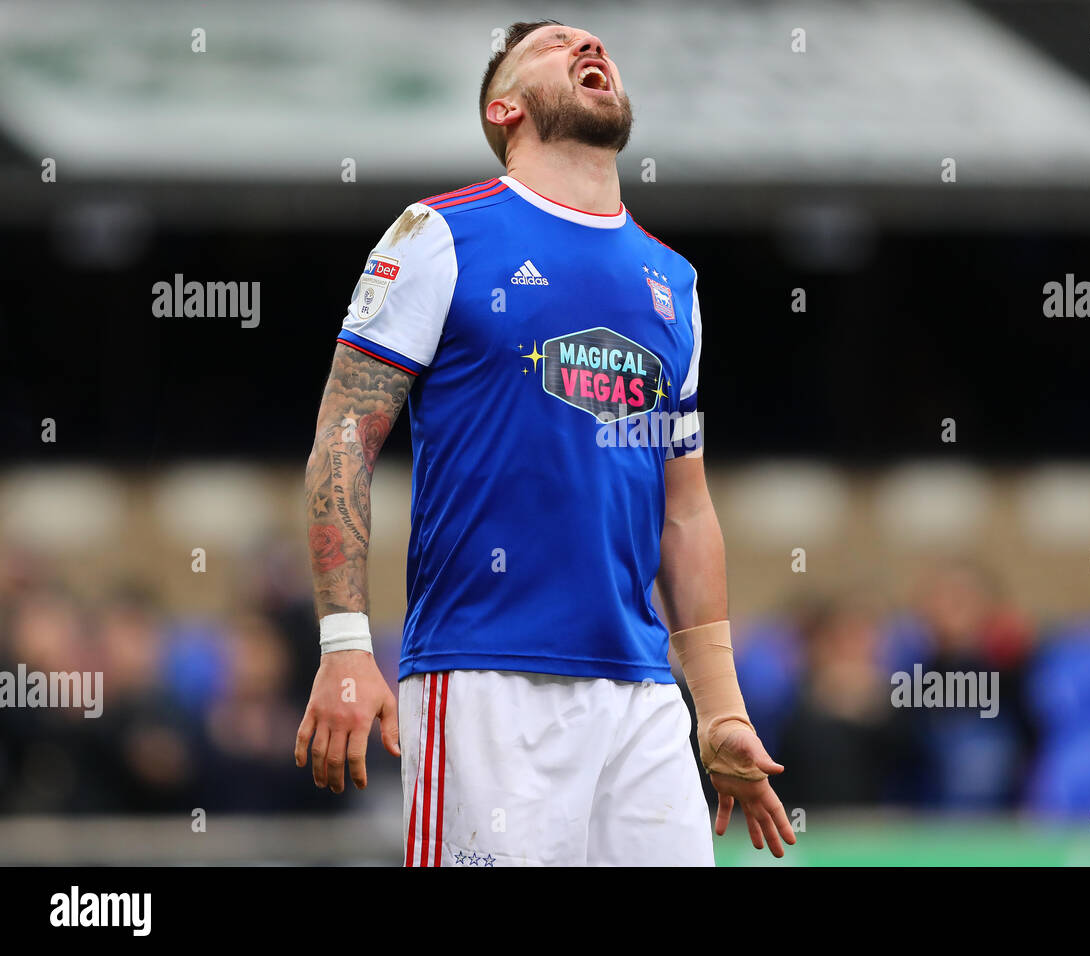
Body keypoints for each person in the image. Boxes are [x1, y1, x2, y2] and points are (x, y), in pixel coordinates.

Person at [294, 19, 794, 866]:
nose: (590, 47)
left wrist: (721, 709)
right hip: (485, 675)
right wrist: (344, 646)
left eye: (598, 42)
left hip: (642, 697)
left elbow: (686, 506)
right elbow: (344, 435)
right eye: (559, 45)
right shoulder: (439, 234)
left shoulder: (675, 281)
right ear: (505, 108)